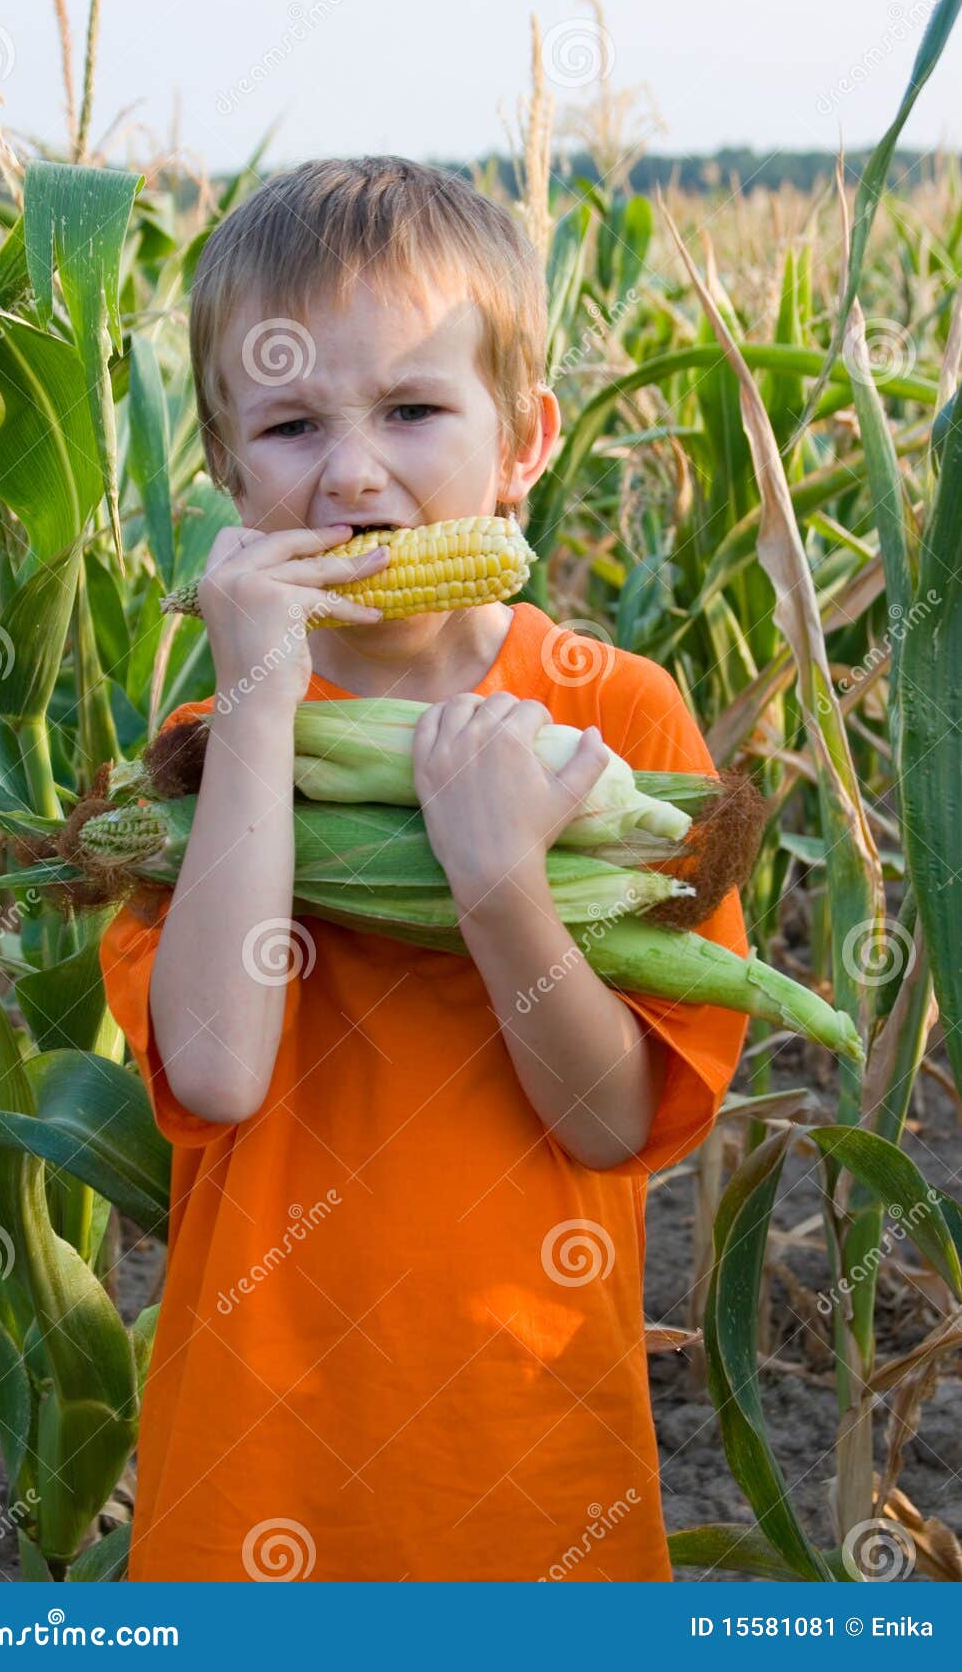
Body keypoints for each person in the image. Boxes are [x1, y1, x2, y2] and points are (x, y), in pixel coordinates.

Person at [99, 155, 749, 1582]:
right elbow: (211, 1070)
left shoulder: (616, 719)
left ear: (523, 439)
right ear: (221, 469)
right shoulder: (203, 751)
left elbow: (610, 1117)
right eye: (286, 423)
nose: (349, 471)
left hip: (531, 1467)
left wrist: (501, 884)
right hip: (253, 1467)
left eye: (409, 408)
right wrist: (259, 701)